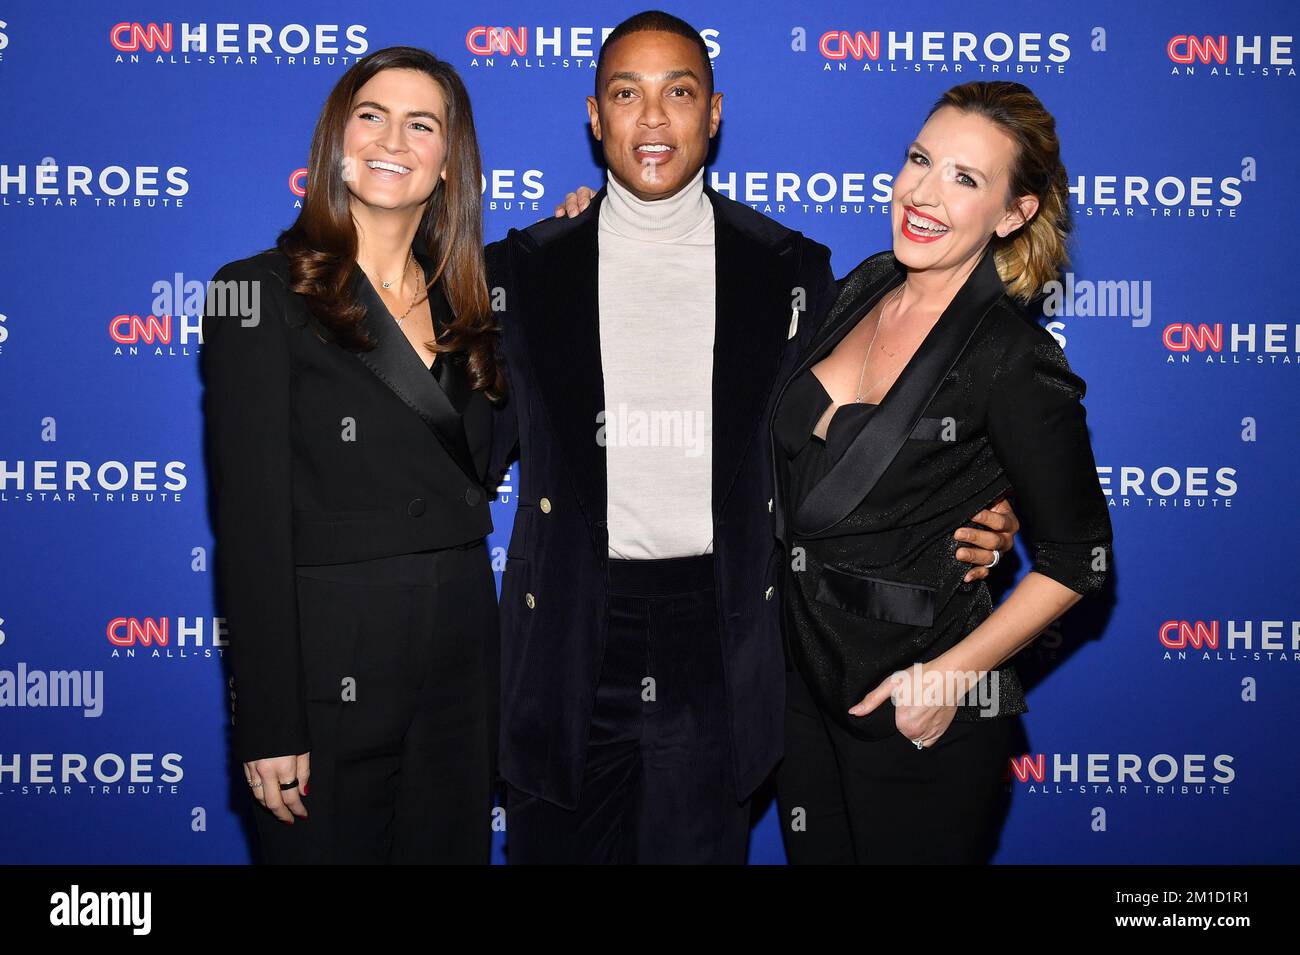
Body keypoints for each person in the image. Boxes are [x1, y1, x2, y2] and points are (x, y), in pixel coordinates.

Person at [486, 11, 1017, 864]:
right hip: (565, 636)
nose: (653, 119)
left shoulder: (793, 273)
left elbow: (869, 439)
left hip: (720, 634)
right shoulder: (520, 271)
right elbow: (458, 456)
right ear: (595, 117)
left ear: (715, 113)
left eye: (679, 93)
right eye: (627, 93)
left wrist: (984, 509)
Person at [771, 81, 1114, 864]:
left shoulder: (1014, 360)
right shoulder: (865, 285)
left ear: (1013, 214)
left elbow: (1081, 559)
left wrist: (948, 677)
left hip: (914, 706)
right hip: (803, 684)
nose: (924, 194)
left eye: (966, 178)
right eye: (920, 160)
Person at [201, 47, 502, 864]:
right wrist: (269, 719)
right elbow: (253, 523)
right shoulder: (257, 293)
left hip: (461, 662)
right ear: (336, 142)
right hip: (329, 665)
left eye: (421, 124)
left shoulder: (475, 305)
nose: (392, 139)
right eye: (370, 115)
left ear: (449, 163)